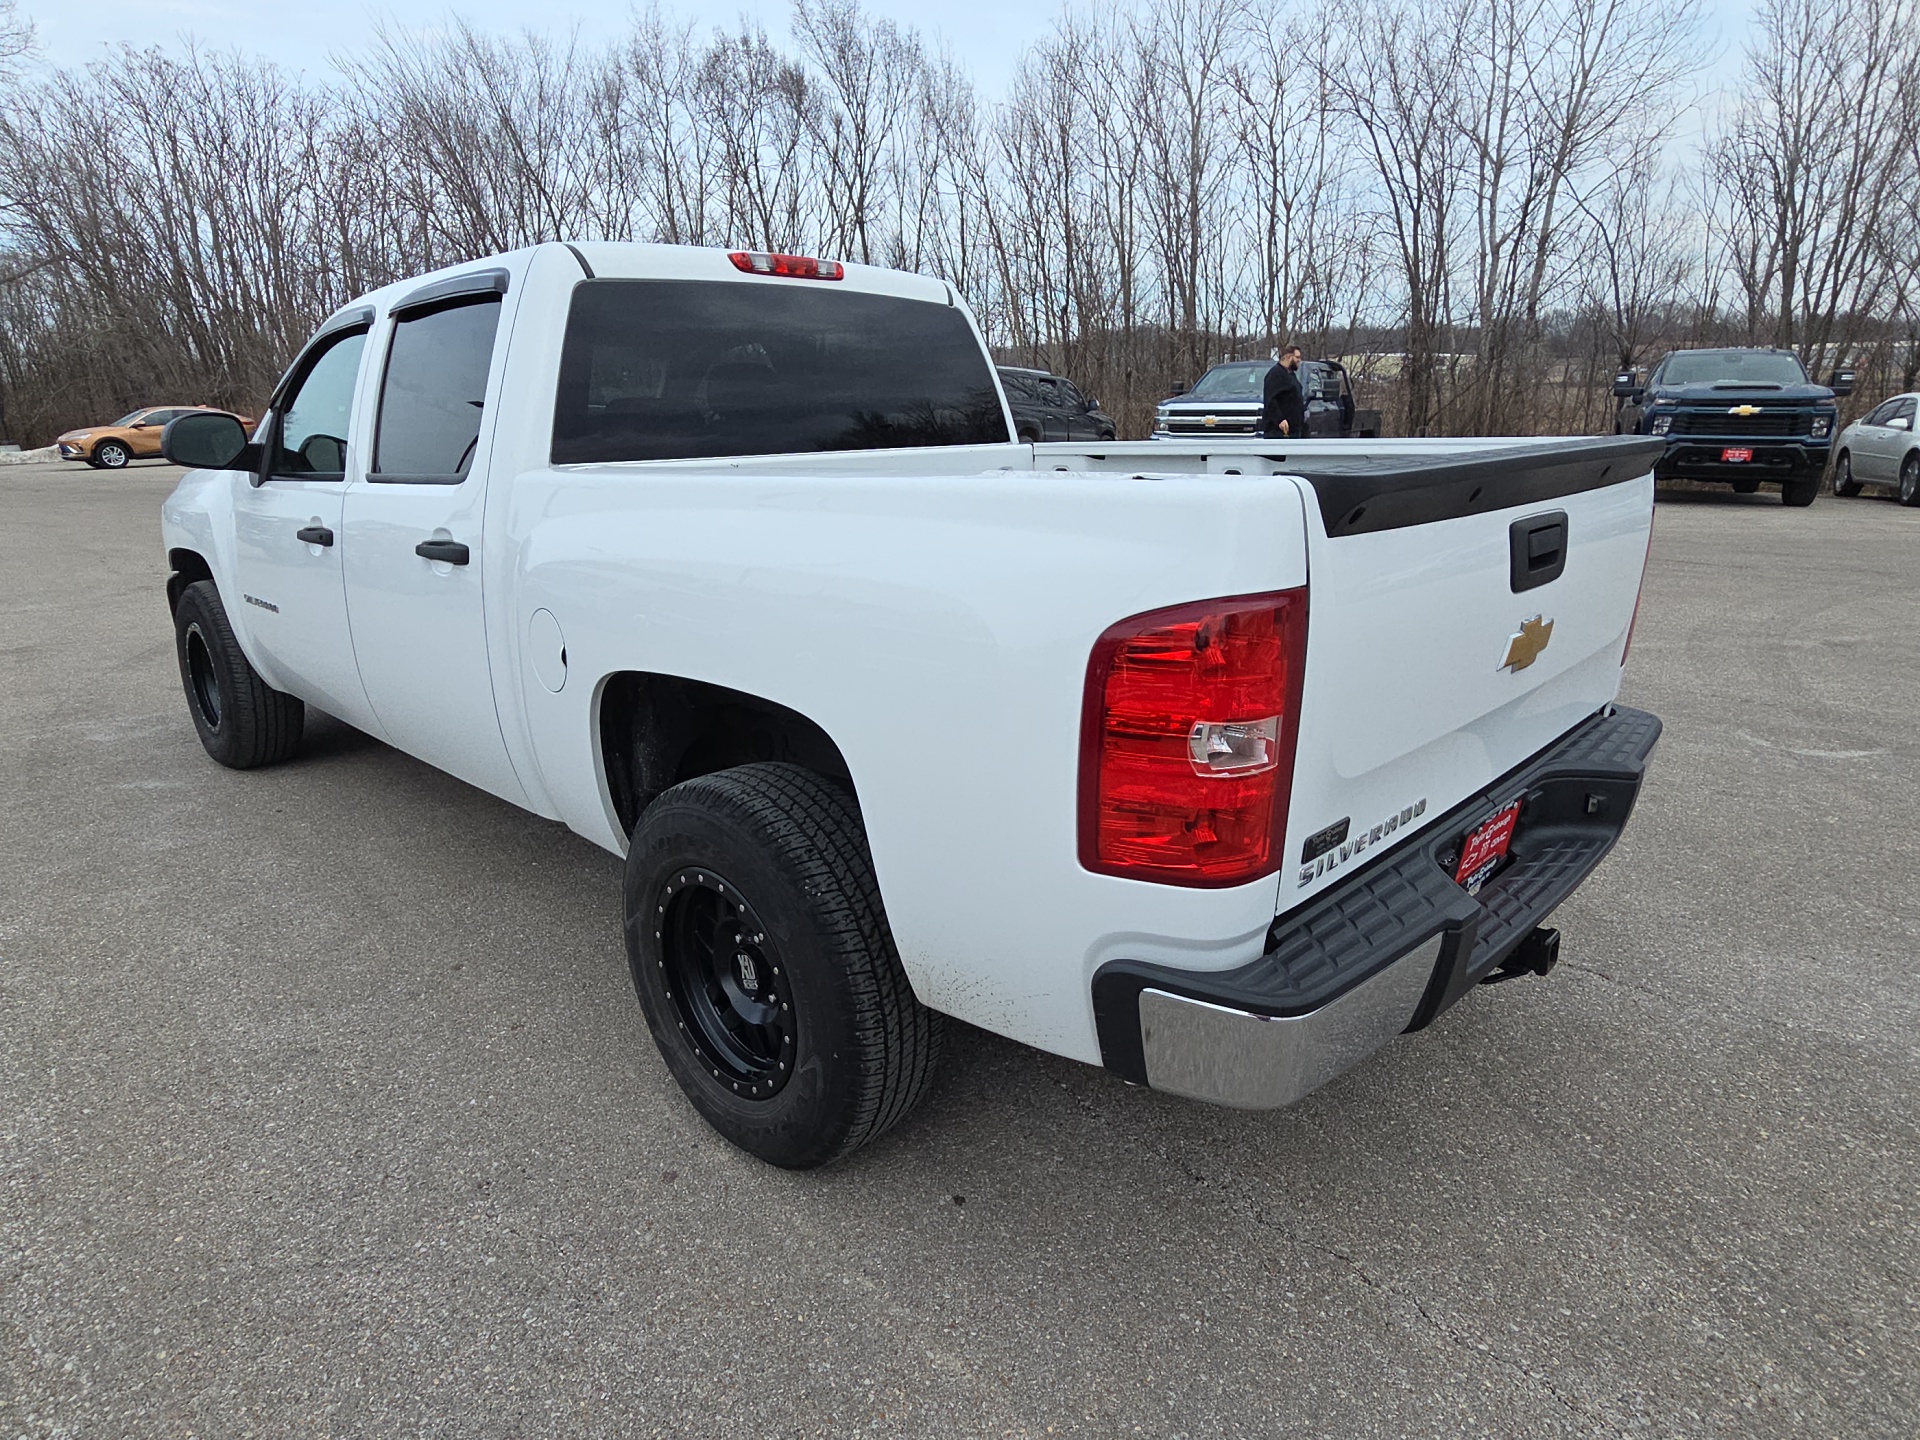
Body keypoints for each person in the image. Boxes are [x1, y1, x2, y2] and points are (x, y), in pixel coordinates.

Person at [1260, 344, 1309, 440]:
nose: (1299, 360)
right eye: (1297, 357)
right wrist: (1280, 420)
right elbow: (1270, 400)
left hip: (1293, 429)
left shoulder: (1290, 374)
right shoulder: (1275, 375)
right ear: (1288, 357)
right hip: (1279, 431)